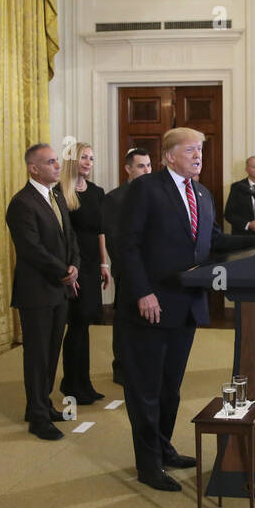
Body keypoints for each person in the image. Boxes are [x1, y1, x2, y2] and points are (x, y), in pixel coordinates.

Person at [117, 127, 255, 491]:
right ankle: (148, 465)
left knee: (171, 386)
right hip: (151, 306)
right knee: (146, 388)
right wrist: (143, 292)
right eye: (190, 150)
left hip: (186, 305)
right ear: (168, 155)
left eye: (200, 150)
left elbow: (213, 241)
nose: (198, 156)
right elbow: (128, 246)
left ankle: (163, 446)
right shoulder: (145, 189)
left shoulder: (201, 193)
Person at [6, 143, 80, 441]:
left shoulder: (57, 195)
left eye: (57, 162)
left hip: (60, 289)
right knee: (37, 354)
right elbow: (30, 249)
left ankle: (42, 404)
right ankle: (37, 417)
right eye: (51, 163)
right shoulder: (21, 203)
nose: (58, 167)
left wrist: (73, 265)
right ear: (33, 168)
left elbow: (69, 236)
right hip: (36, 291)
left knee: (51, 351)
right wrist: (63, 271)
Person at [57, 142, 107, 406]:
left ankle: (83, 382)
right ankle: (72, 383)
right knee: (75, 324)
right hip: (71, 265)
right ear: (73, 161)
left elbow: (100, 231)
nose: (88, 162)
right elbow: (60, 236)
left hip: (91, 264)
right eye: (84, 157)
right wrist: (69, 270)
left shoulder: (97, 192)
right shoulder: (60, 192)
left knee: (85, 323)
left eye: (91, 158)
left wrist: (104, 264)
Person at [101, 147, 153, 386]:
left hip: (153, 270)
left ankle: (144, 366)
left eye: (149, 166)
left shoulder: (156, 193)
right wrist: (133, 269)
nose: (146, 170)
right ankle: (121, 369)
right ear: (128, 169)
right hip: (127, 271)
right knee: (125, 322)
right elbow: (114, 242)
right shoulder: (114, 198)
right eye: (141, 166)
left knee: (149, 322)